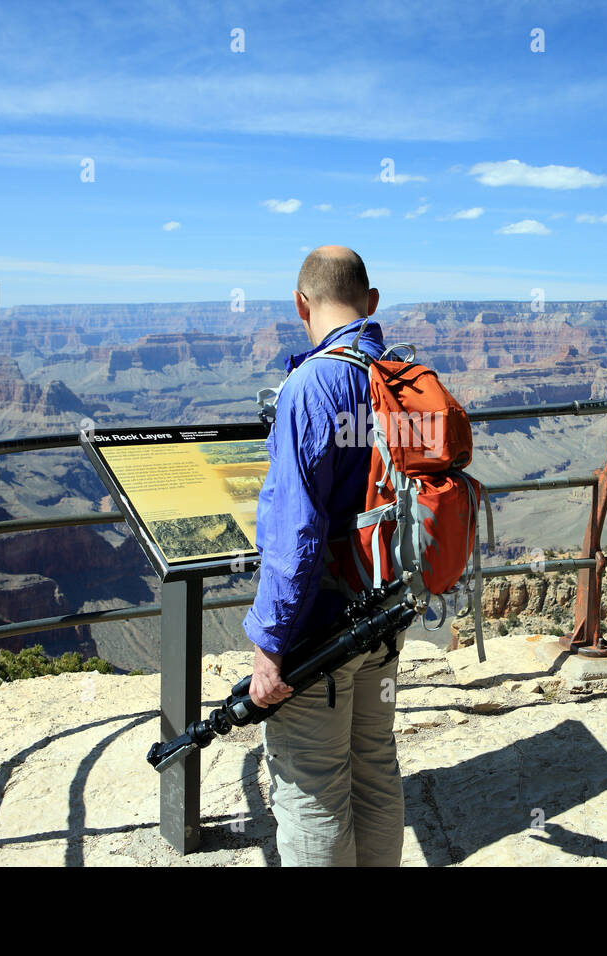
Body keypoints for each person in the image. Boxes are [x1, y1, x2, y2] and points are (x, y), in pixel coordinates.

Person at [242, 245, 406, 867]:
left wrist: (270, 646)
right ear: (371, 303)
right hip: (385, 615)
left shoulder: (312, 385)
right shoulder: (394, 374)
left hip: (322, 631)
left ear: (300, 303)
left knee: (312, 792)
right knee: (375, 771)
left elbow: (294, 535)